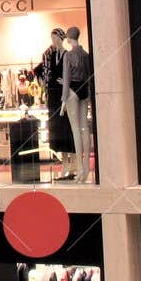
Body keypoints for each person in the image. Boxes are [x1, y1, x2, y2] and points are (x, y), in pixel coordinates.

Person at [59, 26, 93, 183]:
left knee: (76, 130)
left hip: (72, 91)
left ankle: (80, 169)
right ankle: (85, 168)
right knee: (84, 128)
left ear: (68, 38)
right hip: (84, 90)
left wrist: (63, 100)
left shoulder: (68, 55)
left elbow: (66, 79)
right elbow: (90, 76)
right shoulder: (86, 55)